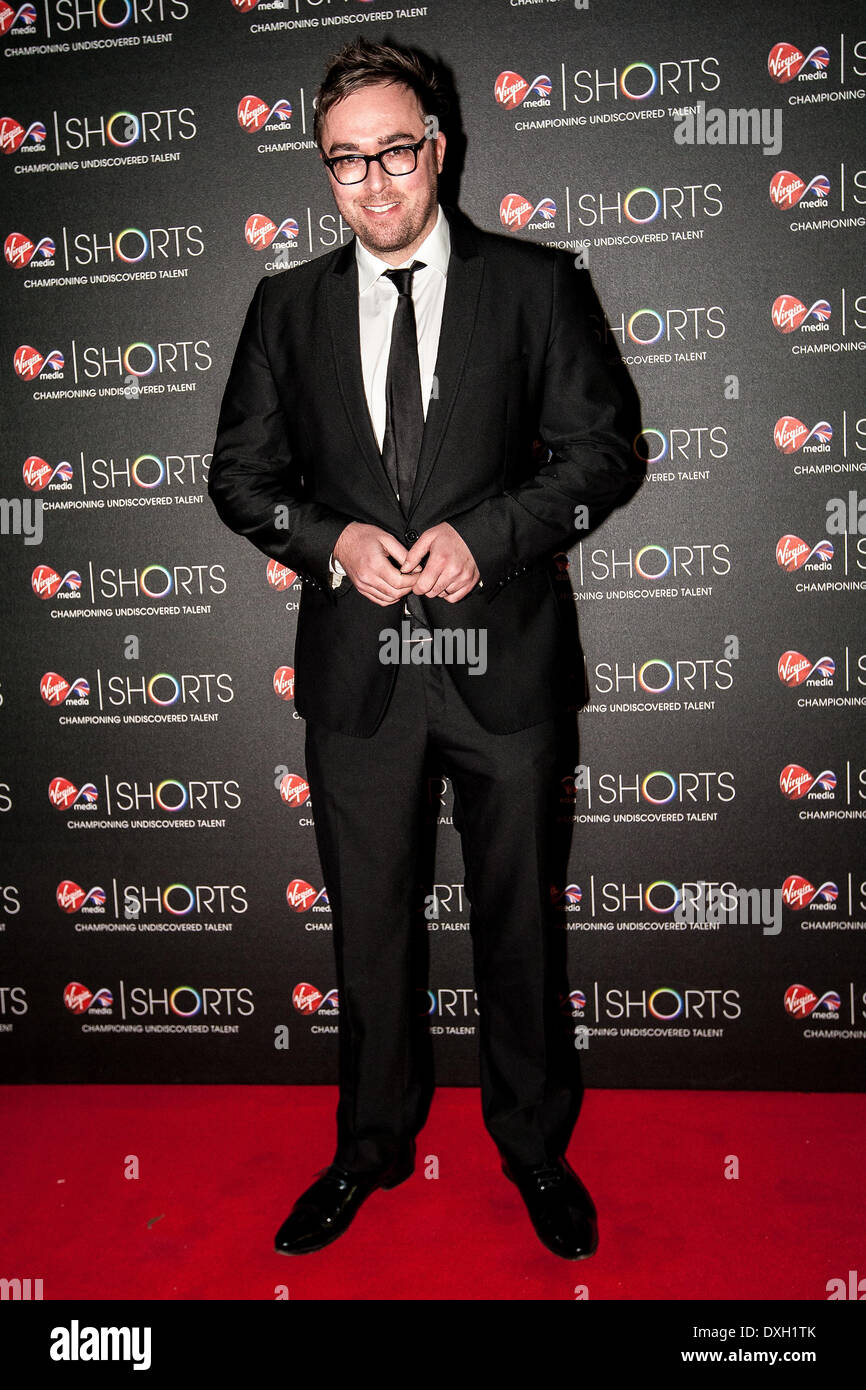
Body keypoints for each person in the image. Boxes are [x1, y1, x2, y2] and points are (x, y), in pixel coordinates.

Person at [208, 37, 641, 1261]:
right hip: (358, 681)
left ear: (438, 146)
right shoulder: (282, 306)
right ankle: (369, 1145)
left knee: (518, 923)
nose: (375, 182)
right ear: (325, 171)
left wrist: (490, 538)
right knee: (369, 932)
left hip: (503, 663)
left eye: (395, 151)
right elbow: (238, 478)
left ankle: (533, 1149)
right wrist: (332, 537)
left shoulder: (534, 286)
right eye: (345, 161)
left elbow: (602, 451)